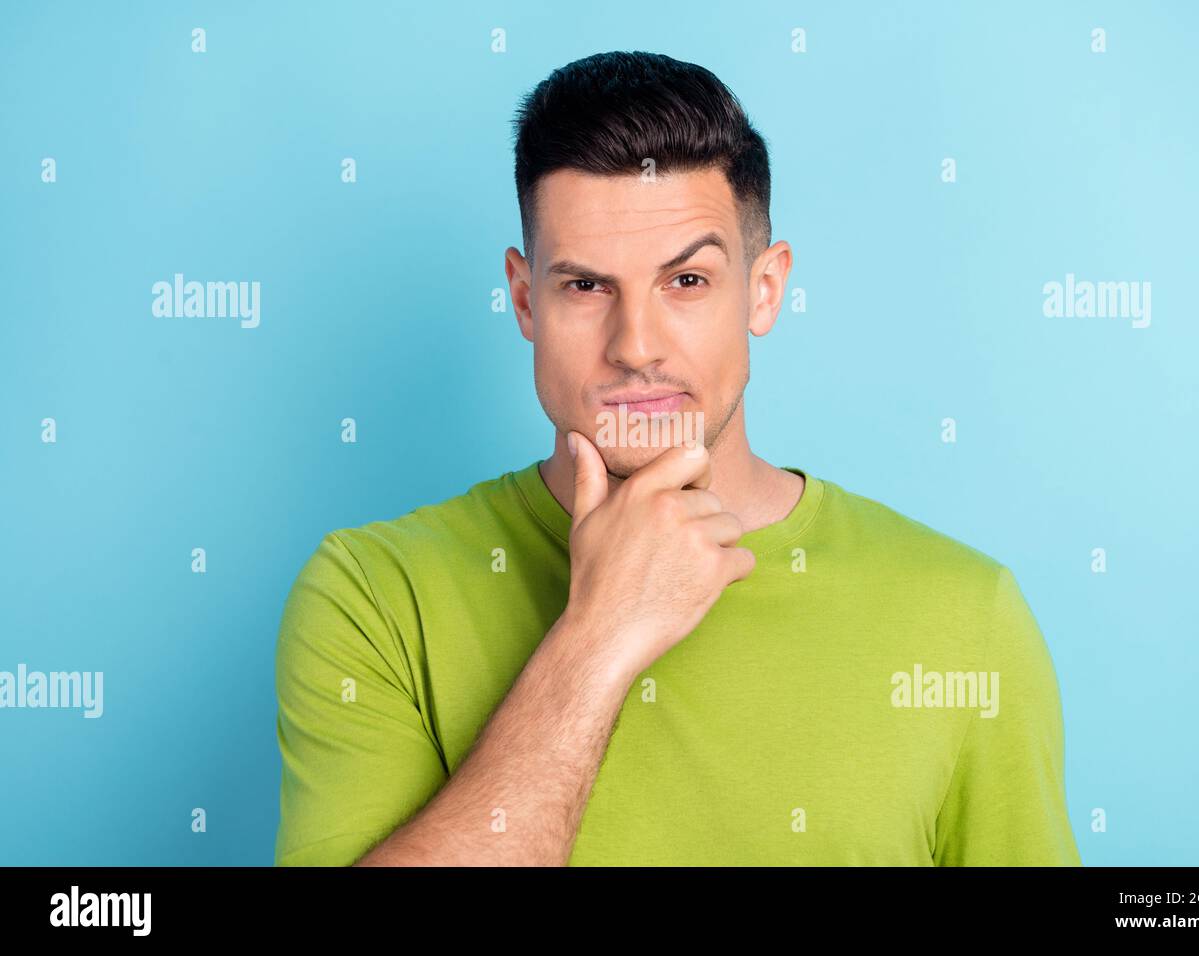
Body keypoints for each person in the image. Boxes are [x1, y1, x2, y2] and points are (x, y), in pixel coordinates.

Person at [273, 50, 1081, 867]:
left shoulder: (966, 616)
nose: (636, 346)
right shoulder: (373, 596)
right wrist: (599, 635)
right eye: (586, 287)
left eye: (687, 281)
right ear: (525, 299)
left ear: (763, 291)